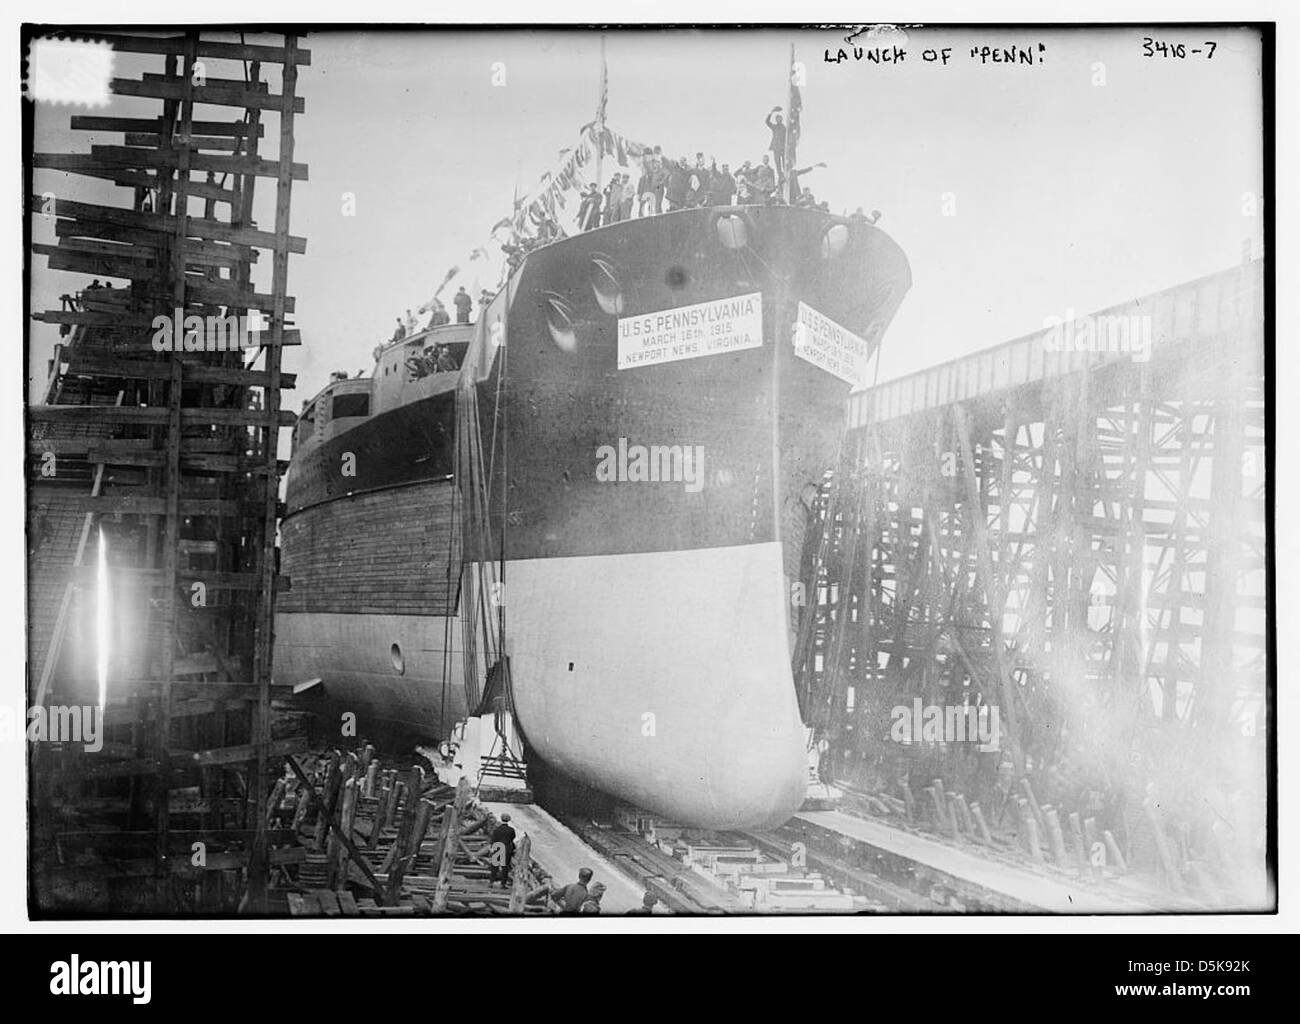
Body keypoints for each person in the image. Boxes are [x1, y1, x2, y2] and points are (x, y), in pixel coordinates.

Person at [489, 813, 517, 887]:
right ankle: (503, 884)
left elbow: (493, 839)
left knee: (494, 866)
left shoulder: (497, 829)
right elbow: (512, 838)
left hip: (497, 847)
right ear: (508, 820)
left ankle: (491, 882)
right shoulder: (511, 830)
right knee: (505, 867)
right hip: (506, 849)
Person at [765, 106, 787, 179]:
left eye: (780, 119)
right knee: (777, 163)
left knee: (784, 163)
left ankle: (786, 174)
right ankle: (781, 176)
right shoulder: (774, 127)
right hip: (776, 148)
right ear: (776, 120)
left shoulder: (785, 128)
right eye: (777, 119)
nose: (779, 120)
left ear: (782, 120)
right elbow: (767, 122)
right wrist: (772, 111)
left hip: (783, 148)